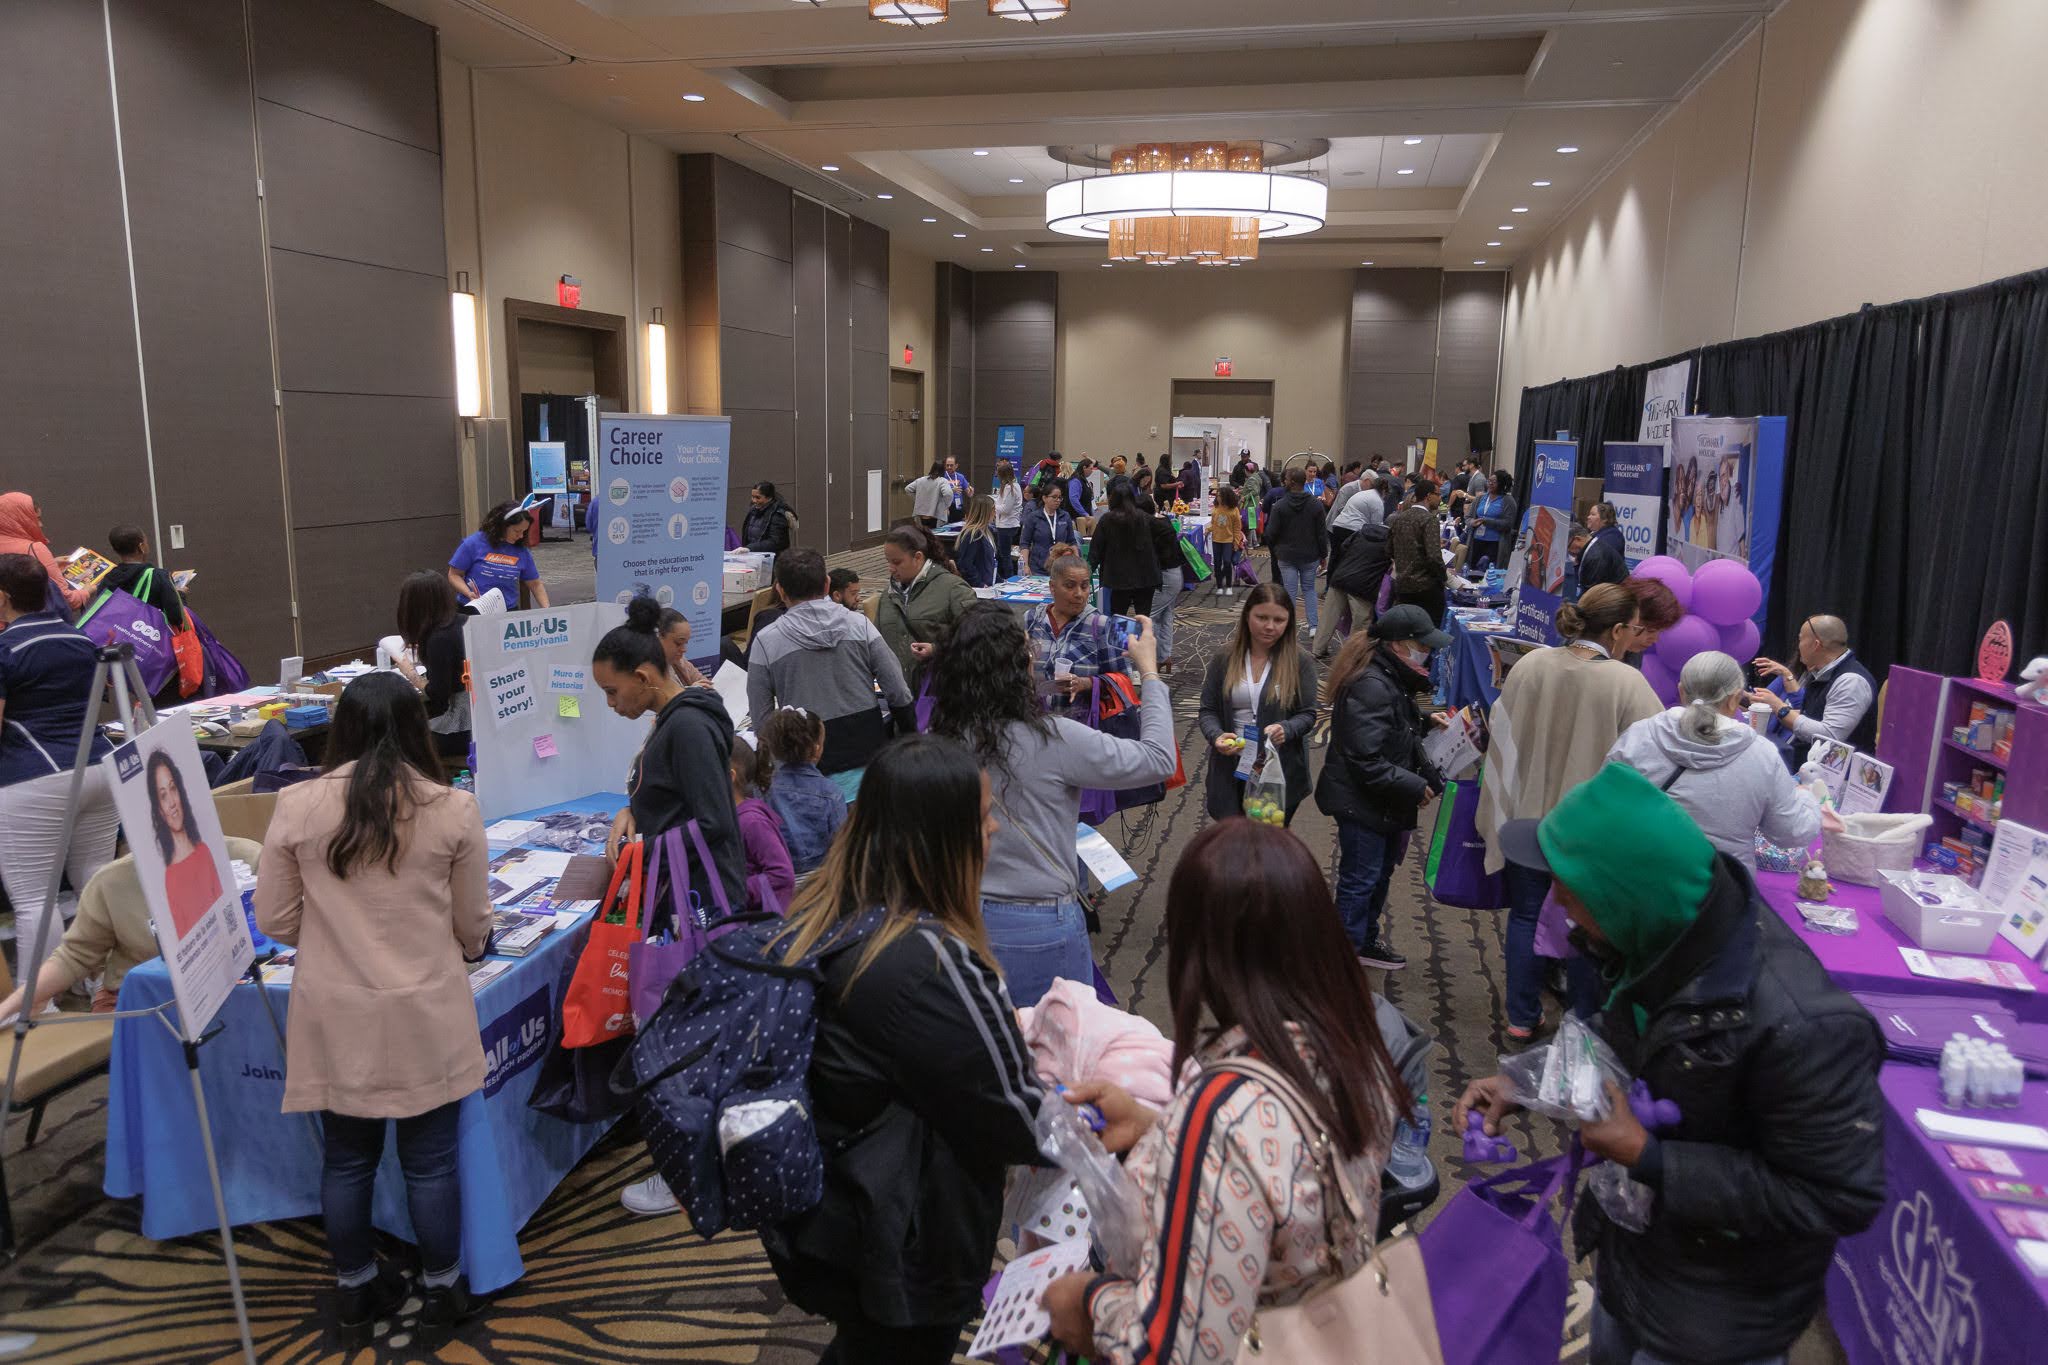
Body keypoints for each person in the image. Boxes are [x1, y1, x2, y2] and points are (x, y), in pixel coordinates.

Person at [1462, 763, 1884, 1365]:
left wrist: (1652, 1157)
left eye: (1568, 889)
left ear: (1623, 895)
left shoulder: (1805, 1026)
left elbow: (1838, 1195)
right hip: (1636, 1263)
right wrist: (1523, 1080)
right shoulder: (1651, 940)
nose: (1557, 904)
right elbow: (1615, 1042)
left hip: (1719, 1315)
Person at [1042, 820, 1411, 1364]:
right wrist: (1155, 1129)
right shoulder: (1356, 1052)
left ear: (1200, 953)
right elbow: (1291, 1176)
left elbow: (1172, 1352)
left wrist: (1087, 1300)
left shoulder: (1222, 1116)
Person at [760, 734, 1045, 1365]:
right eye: (983, 816)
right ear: (940, 839)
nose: (995, 828)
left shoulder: (830, 913)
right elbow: (1021, 1120)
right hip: (910, 1242)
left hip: (838, 1215)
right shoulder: (931, 962)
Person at [254, 673, 492, 1342]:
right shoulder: (453, 807)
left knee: (347, 1158)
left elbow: (273, 915)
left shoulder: (297, 804)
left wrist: (334, 936)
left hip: (335, 1007)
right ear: (418, 726)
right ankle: (444, 1288)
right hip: (426, 1006)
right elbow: (474, 924)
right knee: (431, 1161)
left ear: (343, 728)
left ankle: (356, 1287)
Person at [933, 604, 1173, 1006]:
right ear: (1018, 669)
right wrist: (1148, 672)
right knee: (1058, 1053)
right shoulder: (1055, 738)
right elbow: (1158, 758)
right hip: (1040, 920)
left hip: (959, 915)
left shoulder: (940, 738)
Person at [1475, 583, 1664, 1040]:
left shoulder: (1533, 664)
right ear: (1618, 630)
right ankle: (1580, 1028)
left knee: (1524, 915)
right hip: (1587, 830)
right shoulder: (1627, 682)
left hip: (1527, 822)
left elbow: (1499, 731)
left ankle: (1520, 1017)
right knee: (1584, 926)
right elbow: (1654, 754)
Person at [0, 553, 120, 976]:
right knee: (96, 883)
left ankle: (39, 1011)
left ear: (2, 599)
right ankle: (103, 986)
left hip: (35, 778)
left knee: (35, 900)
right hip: (102, 769)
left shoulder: (6, 649)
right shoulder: (84, 641)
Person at [1315, 605, 1449, 968]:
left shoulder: (1387, 676)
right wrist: (1413, 785)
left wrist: (1422, 721)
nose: (1430, 652)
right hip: (1363, 801)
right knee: (1361, 879)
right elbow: (1365, 758)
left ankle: (1363, 940)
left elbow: (1388, 725)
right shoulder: (1373, 683)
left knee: (1376, 873)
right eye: (1424, 645)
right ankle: (1343, 958)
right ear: (1401, 645)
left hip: (1378, 800)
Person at [591, 596, 746, 912]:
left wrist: (641, 851)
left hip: (700, 903)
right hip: (685, 892)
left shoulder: (688, 726)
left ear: (643, 678)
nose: (610, 703)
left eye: (612, 691)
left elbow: (713, 821)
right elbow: (676, 796)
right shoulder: (673, 720)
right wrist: (633, 810)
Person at [0, 837, 262, 1021]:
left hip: (238, 991)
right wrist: (14, 1004)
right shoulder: (112, 880)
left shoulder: (246, 858)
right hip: (141, 1001)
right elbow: (74, 956)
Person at [1609, 651, 1827, 861]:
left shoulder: (1639, 734)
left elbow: (1608, 801)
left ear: (1682, 691)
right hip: (1718, 888)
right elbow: (1792, 833)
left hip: (1637, 877)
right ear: (1734, 699)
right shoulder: (1761, 753)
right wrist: (1808, 796)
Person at [747, 549, 911, 776]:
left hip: (804, 766)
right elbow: (898, 690)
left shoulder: (766, 642)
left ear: (780, 591)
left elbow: (761, 720)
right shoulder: (860, 625)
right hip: (869, 759)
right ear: (826, 585)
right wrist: (910, 738)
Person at [1196, 582, 1318, 825]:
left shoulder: (1299, 661)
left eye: (1279, 620)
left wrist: (1287, 728)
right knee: (1232, 842)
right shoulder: (1225, 658)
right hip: (1232, 764)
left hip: (1276, 769)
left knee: (1269, 846)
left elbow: (1308, 714)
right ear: (1247, 615)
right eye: (1261, 617)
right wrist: (1216, 735)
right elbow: (1208, 709)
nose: (1270, 627)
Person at [1747, 614, 1877, 765]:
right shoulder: (1821, 673)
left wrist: (1779, 708)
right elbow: (1813, 715)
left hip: (1839, 777)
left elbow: (1829, 736)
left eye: (1801, 639)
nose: (1798, 645)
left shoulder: (1851, 681)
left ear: (1815, 644)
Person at [877, 524, 978, 688]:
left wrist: (936, 650)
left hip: (942, 695)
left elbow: (979, 640)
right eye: (888, 562)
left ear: (918, 557)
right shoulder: (888, 595)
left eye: (897, 562)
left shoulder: (953, 589)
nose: (891, 568)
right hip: (899, 698)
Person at [1025, 553, 1128, 712]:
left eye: (1085, 586)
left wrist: (1087, 684)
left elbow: (1124, 682)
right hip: (1035, 725)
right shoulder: (1031, 621)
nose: (1079, 594)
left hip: (1082, 728)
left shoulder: (1105, 625)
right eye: (1069, 586)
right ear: (1052, 587)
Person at [757, 705, 847, 876]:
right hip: (820, 879)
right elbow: (840, 847)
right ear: (816, 748)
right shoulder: (830, 792)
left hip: (778, 876)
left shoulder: (764, 789)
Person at [393, 571, 472, 760]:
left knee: (400, 741)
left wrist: (411, 674)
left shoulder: (439, 638)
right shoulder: (464, 621)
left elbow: (438, 694)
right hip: (483, 719)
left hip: (463, 724)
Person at [147, 750, 222, 937]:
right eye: (163, 795)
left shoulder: (204, 851)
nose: (172, 802)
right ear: (158, 809)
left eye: (173, 788)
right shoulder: (170, 878)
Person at [729, 734, 796, 912]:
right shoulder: (730, 817)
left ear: (730, 776)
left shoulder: (753, 822)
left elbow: (782, 874)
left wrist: (735, 890)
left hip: (766, 926)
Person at [1262, 467, 1329, 635]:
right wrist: (1323, 555)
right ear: (1304, 481)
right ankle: (1313, 626)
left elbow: (1270, 533)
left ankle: (1288, 626)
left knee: (1289, 591)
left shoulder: (1280, 506)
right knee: (1309, 589)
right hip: (1310, 554)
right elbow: (1321, 533)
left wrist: (1277, 549)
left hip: (1286, 555)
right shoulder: (1315, 505)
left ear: (1289, 482)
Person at [1313, 515, 1391, 660]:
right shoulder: (1391, 543)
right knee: (1360, 623)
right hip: (1364, 586)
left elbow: (1343, 547)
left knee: (1328, 617)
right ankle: (1352, 656)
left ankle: (1318, 648)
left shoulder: (1361, 532)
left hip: (1341, 576)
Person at [448, 501, 547, 609]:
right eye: (516, 531)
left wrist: (548, 610)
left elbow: (535, 584)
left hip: (507, 610)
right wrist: (468, 592)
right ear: (502, 526)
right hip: (473, 608)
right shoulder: (473, 543)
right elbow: (454, 575)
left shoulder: (521, 551)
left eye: (524, 531)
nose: (521, 536)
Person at [1086, 478, 1160, 621]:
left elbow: (1096, 550)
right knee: (1143, 620)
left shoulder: (1107, 520)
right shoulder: (1145, 518)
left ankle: (1119, 643)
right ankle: (1143, 642)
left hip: (1117, 578)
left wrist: (1087, 573)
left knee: (1117, 619)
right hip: (1146, 576)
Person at [0, 493, 87, 613]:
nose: (41, 524)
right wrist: (88, 591)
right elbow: (66, 601)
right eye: (36, 518)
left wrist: (47, 566)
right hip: (30, 628)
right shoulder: (34, 549)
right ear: (21, 518)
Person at [1386, 476, 1448, 626]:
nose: (1440, 499)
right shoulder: (1429, 519)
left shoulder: (1399, 518)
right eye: (1438, 495)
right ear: (1428, 496)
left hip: (1402, 586)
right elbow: (1433, 556)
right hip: (1424, 587)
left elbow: (1389, 550)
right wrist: (1443, 577)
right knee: (1428, 631)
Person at [101, 524, 185, 628]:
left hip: (118, 640)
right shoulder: (159, 576)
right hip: (151, 640)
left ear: (115, 550)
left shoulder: (108, 578)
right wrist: (179, 594)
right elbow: (176, 618)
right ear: (141, 547)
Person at [1137, 492, 1182, 672]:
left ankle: (1149, 658)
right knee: (1166, 616)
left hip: (1165, 576)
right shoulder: (1164, 520)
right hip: (1175, 573)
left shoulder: (1150, 526)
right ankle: (1164, 656)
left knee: (1150, 618)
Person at [1019, 481, 1079, 574]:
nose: (1058, 500)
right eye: (1054, 497)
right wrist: (1025, 565)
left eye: (1060, 498)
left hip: (1061, 567)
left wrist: (1077, 562)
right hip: (1038, 567)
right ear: (1044, 498)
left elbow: (1071, 541)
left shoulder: (1065, 516)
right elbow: (1025, 543)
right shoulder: (1033, 517)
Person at [1469, 470, 1518, 571]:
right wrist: (1471, 522)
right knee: (1473, 571)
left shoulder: (1508, 501)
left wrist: (1487, 521)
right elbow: (1468, 517)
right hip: (1477, 541)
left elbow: (1508, 524)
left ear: (1501, 483)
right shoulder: (1480, 498)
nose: (1490, 483)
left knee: (1489, 574)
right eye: (1489, 480)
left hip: (1495, 544)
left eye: (1494, 482)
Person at [654, 606, 714, 685]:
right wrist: (692, 692)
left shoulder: (679, 660)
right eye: (678, 643)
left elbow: (703, 681)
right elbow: (667, 696)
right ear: (658, 638)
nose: (684, 649)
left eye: (685, 643)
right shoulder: (647, 671)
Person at [1578, 501, 1629, 592]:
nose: (1588, 517)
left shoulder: (1613, 536)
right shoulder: (1594, 535)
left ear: (1605, 519)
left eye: (1593, 514)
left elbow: (1599, 562)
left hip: (1609, 591)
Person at [953, 494, 999, 589]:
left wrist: (999, 580)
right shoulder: (972, 534)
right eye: (994, 510)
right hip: (979, 589)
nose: (995, 513)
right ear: (986, 512)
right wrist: (979, 584)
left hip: (990, 585)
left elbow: (990, 563)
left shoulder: (988, 532)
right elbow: (965, 564)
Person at [740, 481, 794, 555]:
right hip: (754, 557)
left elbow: (775, 542)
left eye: (758, 497)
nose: (754, 500)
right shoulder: (753, 510)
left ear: (769, 497)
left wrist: (749, 548)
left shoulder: (778, 514)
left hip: (771, 561)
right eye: (752, 497)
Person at [1208, 486, 1244, 598]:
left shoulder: (1234, 510)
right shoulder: (1215, 508)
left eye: (1220, 496)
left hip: (1228, 540)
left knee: (1227, 562)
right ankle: (1219, 586)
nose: (1218, 498)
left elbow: (1237, 528)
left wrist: (1236, 542)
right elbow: (1214, 524)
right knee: (1217, 563)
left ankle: (1228, 586)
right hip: (1216, 540)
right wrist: (1208, 530)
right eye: (1217, 496)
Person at [991, 459, 1024, 578]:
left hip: (1007, 525)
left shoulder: (1011, 488)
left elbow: (1006, 509)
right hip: (1004, 524)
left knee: (1005, 555)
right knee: (1003, 554)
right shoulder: (1009, 487)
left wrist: (993, 505)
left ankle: (1008, 577)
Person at [907, 460, 950, 529]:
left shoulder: (921, 480)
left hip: (921, 515)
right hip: (936, 515)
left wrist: (917, 499)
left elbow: (908, 489)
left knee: (922, 535)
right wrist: (946, 505)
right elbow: (948, 494)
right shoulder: (942, 481)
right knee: (934, 536)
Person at [941, 455, 972, 519]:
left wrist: (971, 491)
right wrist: (951, 490)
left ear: (956, 466)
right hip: (946, 508)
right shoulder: (941, 476)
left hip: (958, 506)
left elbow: (969, 494)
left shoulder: (960, 476)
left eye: (951, 465)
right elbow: (937, 493)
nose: (949, 467)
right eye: (947, 465)